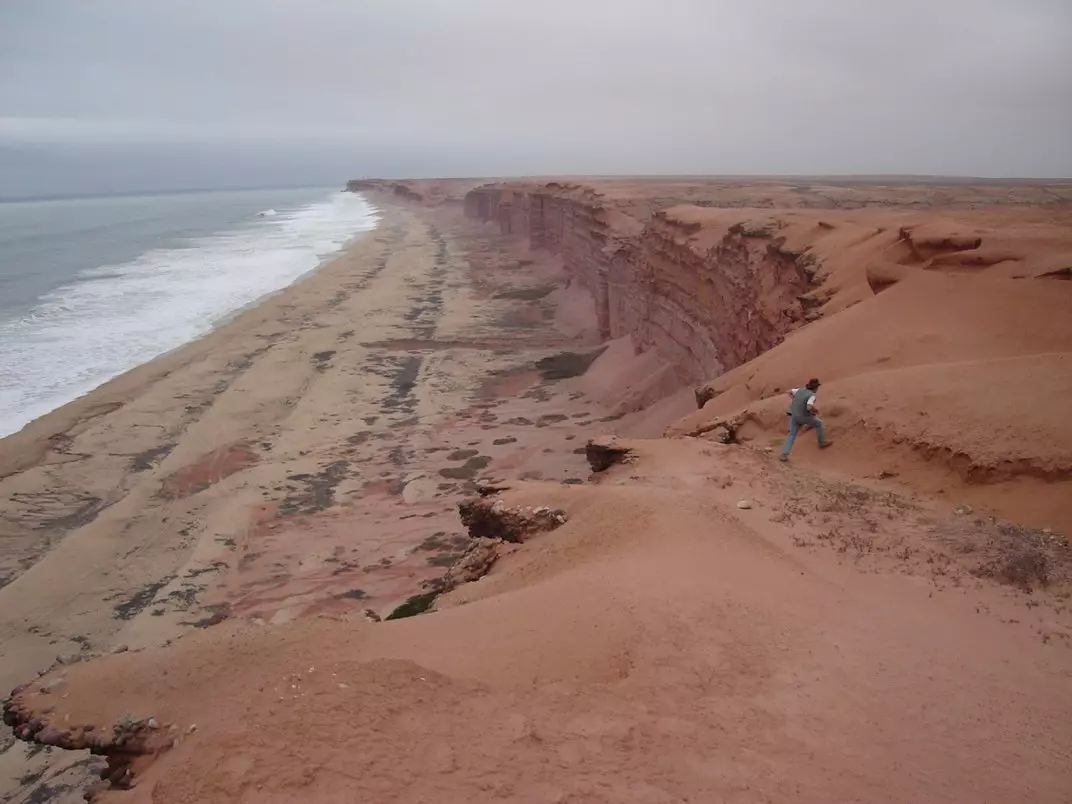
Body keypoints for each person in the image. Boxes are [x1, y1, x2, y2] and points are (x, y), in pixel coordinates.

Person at [780, 378, 833, 462]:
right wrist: (815, 410)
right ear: (815, 387)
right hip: (804, 417)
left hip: (794, 416)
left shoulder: (799, 390)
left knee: (791, 435)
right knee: (819, 423)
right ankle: (822, 442)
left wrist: (793, 398)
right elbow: (809, 407)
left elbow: (788, 391)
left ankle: (784, 454)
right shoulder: (812, 395)